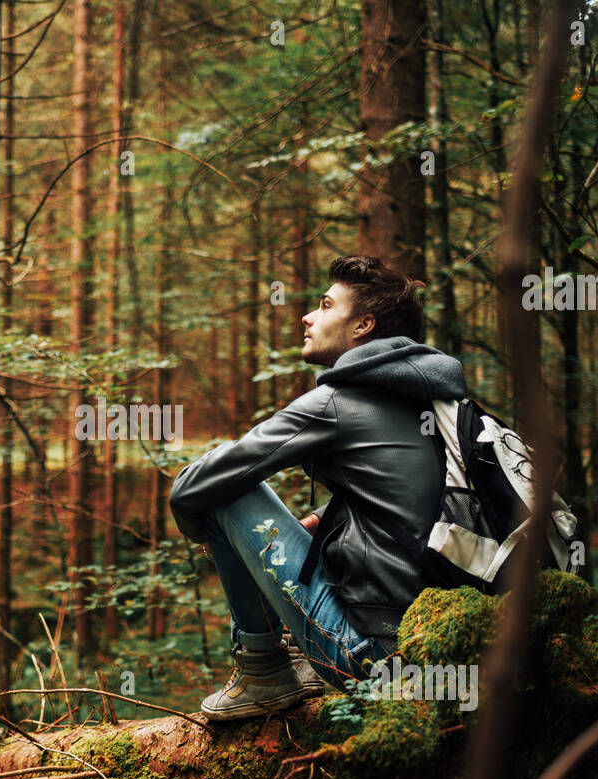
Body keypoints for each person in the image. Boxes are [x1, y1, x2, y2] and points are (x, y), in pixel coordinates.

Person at [168, 255, 468, 721]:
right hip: (443, 647)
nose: (307, 316)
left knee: (225, 489)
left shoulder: (336, 402)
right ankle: (285, 661)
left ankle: (264, 670)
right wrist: (314, 523)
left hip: (373, 657)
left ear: (363, 325)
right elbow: (404, 502)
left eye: (326, 305)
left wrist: (211, 532)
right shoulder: (439, 403)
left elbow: (190, 489)